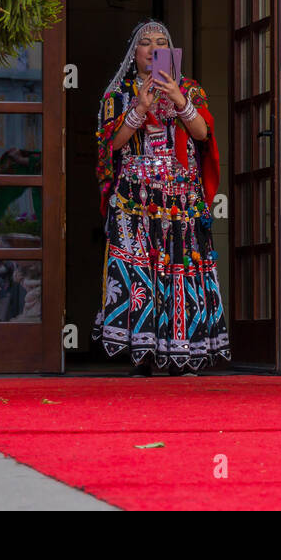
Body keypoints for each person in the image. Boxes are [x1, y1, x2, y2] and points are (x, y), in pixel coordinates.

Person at [93, 20, 229, 375]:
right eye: (145, 43)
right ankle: (143, 353)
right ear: (134, 53)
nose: (153, 48)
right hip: (134, 199)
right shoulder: (118, 95)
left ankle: (182, 351)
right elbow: (112, 145)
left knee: (179, 269)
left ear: (170, 51)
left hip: (181, 197)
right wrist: (139, 108)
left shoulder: (189, 89)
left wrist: (179, 101)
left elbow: (202, 133)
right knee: (139, 273)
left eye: (161, 42)